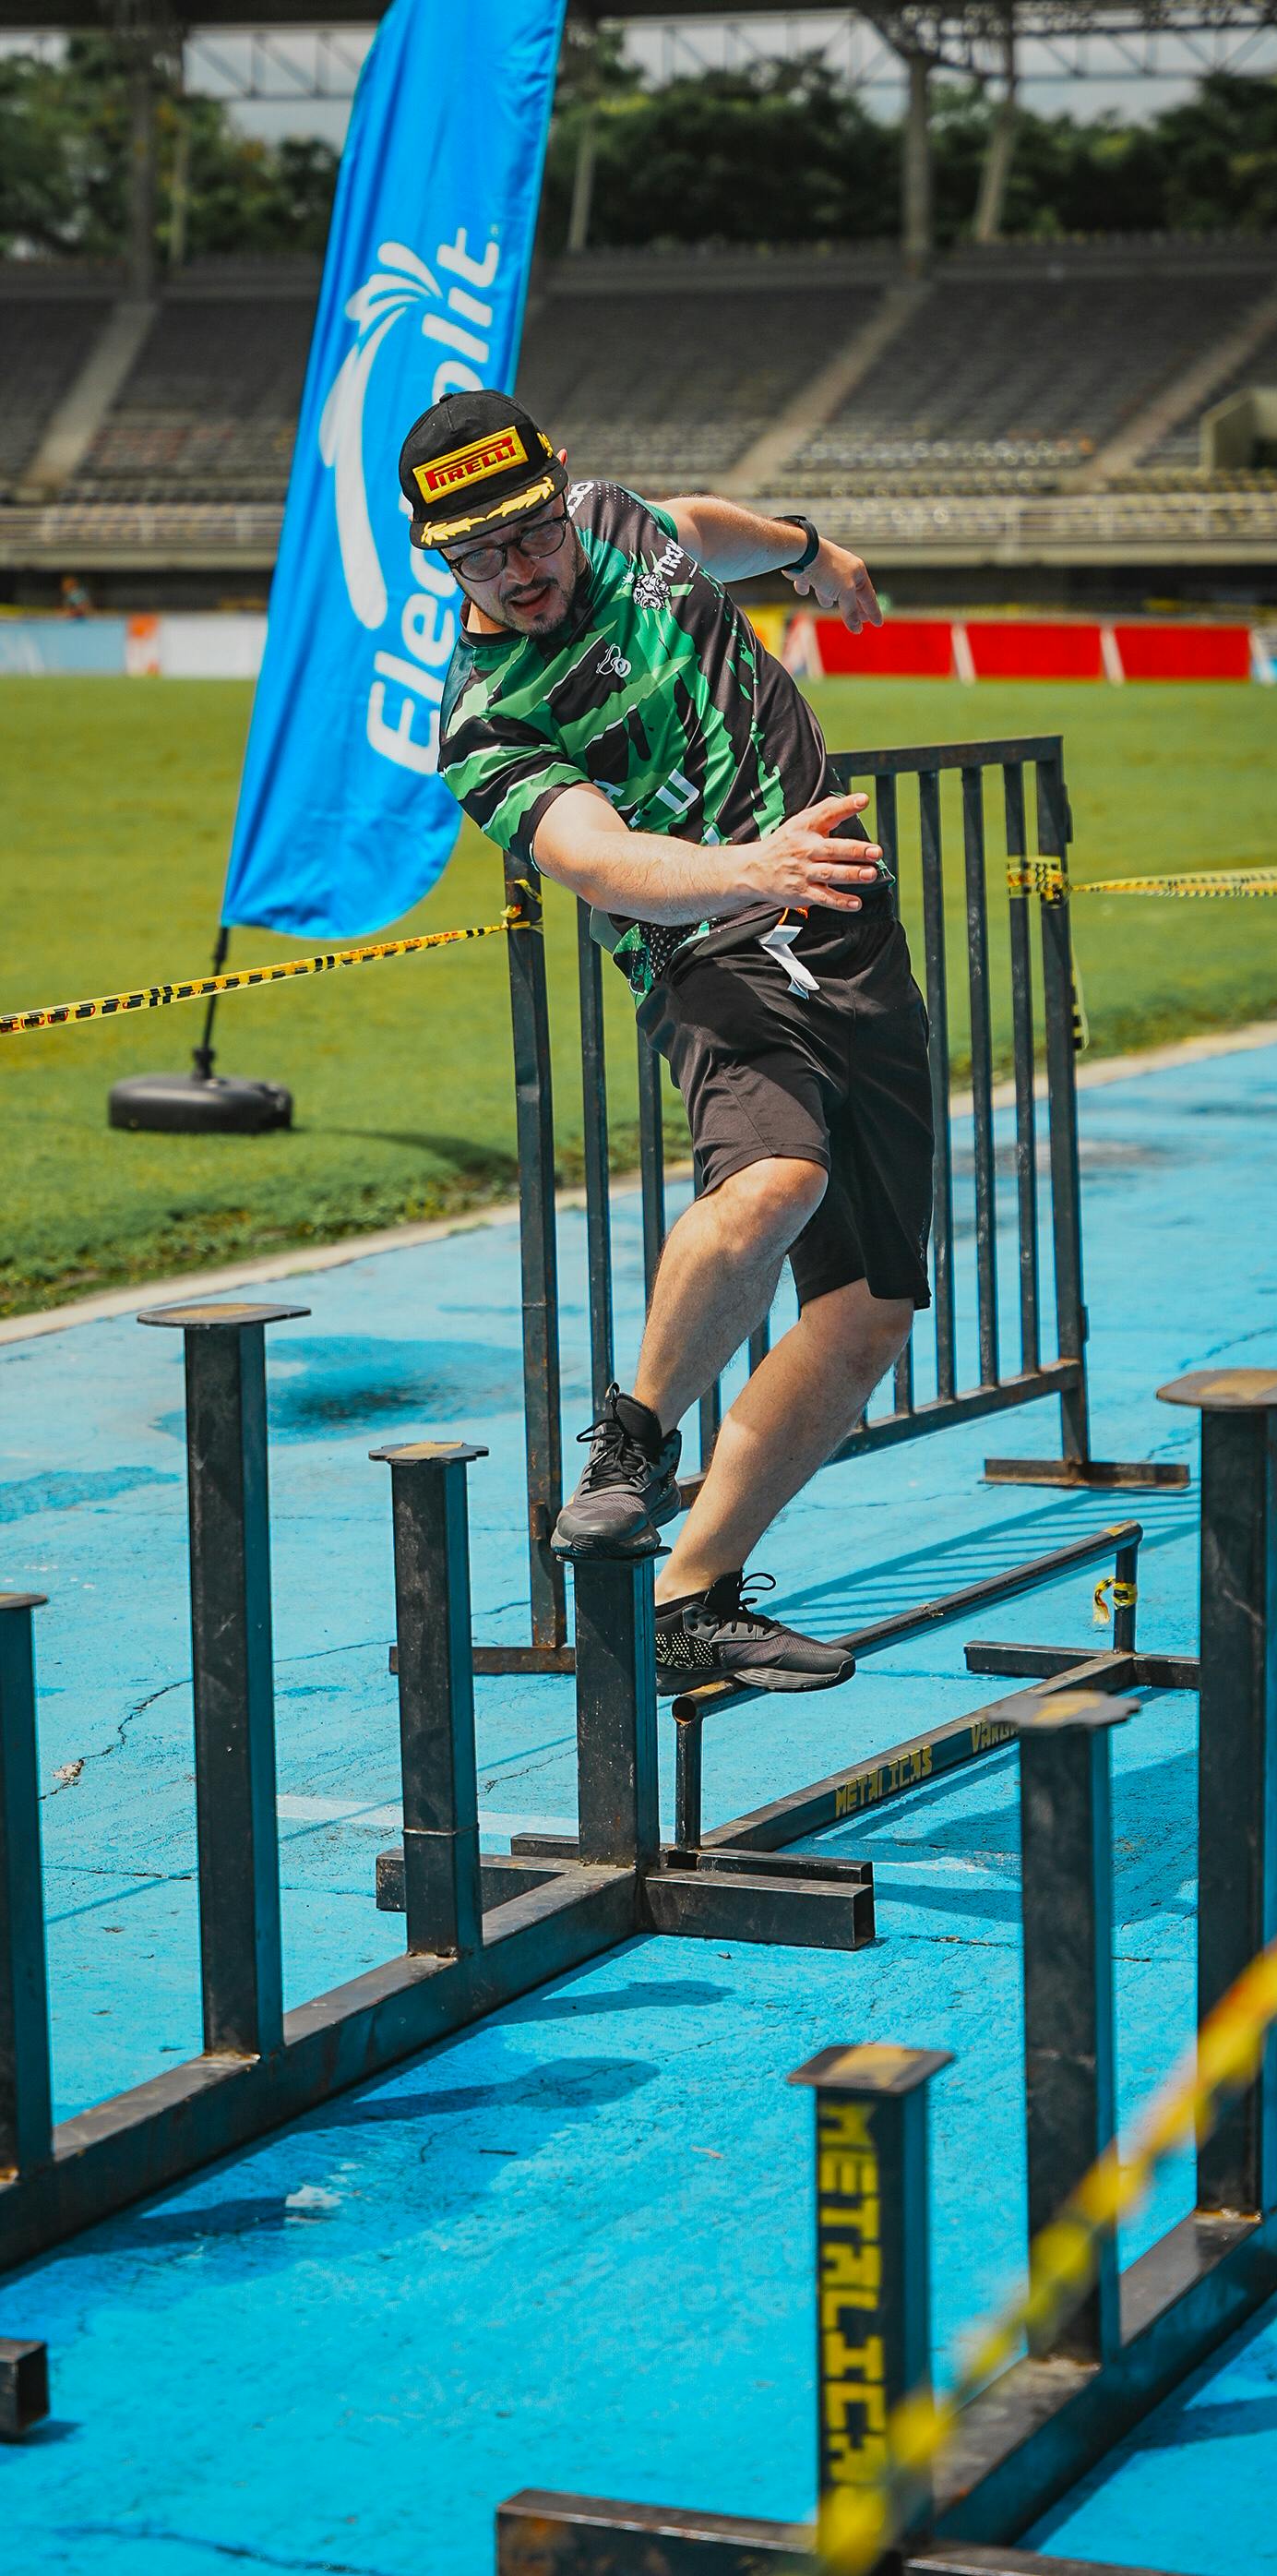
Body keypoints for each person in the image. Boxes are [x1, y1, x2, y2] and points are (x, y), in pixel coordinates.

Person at [400, 388, 934, 1697]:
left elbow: (695, 529)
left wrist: (808, 551)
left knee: (870, 1312)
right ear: (434, 555)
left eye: (530, 534)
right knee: (777, 1177)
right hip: (713, 951)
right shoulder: (486, 720)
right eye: (477, 555)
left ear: (564, 488)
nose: (518, 572)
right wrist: (743, 866)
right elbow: (596, 856)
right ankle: (625, 1452)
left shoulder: (615, 520)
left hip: (846, 928)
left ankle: (694, 1602)